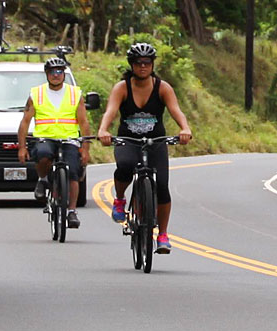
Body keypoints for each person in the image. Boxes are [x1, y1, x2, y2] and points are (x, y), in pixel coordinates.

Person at [94, 41, 193, 253]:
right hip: (129, 141)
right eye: (138, 63)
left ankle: (163, 234)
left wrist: (184, 129)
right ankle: (120, 200)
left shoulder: (162, 88)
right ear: (131, 64)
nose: (142, 67)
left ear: (152, 65)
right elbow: (110, 111)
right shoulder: (122, 88)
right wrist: (103, 130)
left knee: (163, 187)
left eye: (147, 63)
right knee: (125, 166)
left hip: (155, 143)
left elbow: (176, 111)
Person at [15, 55, 89, 229]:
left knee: (73, 172)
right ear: (46, 74)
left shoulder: (75, 93)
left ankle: (71, 211)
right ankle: (42, 180)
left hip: (69, 139)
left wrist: (85, 148)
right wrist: (22, 147)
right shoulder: (36, 94)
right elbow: (25, 122)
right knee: (43, 155)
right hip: (45, 137)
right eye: (52, 72)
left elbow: (84, 122)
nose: (56, 75)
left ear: (63, 74)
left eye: (59, 72)